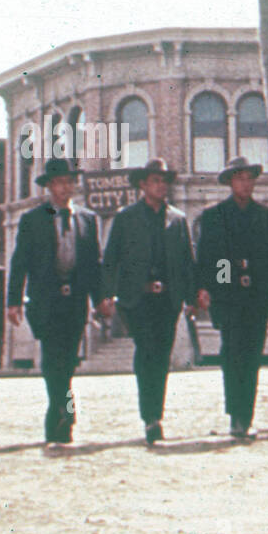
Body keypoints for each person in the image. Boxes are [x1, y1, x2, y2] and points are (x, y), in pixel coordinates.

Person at [6, 158, 108, 445]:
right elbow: (20, 262)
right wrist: (13, 300)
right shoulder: (32, 220)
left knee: (68, 362)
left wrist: (100, 299)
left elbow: (94, 265)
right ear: (49, 187)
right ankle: (67, 411)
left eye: (69, 182)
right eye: (59, 183)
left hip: (75, 301)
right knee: (52, 361)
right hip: (45, 301)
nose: (65, 188)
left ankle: (57, 422)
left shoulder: (87, 220)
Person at [100, 158, 197, 445]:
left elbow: (187, 261)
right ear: (143, 185)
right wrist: (107, 295)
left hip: (168, 299)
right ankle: (150, 418)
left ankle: (157, 413)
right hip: (137, 299)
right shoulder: (125, 218)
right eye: (155, 181)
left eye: (164, 181)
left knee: (162, 356)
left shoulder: (177, 219)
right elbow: (111, 259)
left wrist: (192, 297)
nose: (161, 186)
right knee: (146, 351)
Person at [195, 156, 268, 438]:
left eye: (249, 178)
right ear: (230, 182)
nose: (245, 184)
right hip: (229, 297)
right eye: (240, 178)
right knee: (232, 354)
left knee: (251, 356)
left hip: (258, 297)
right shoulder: (215, 216)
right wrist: (213, 288)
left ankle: (245, 417)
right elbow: (209, 257)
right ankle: (235, 415)